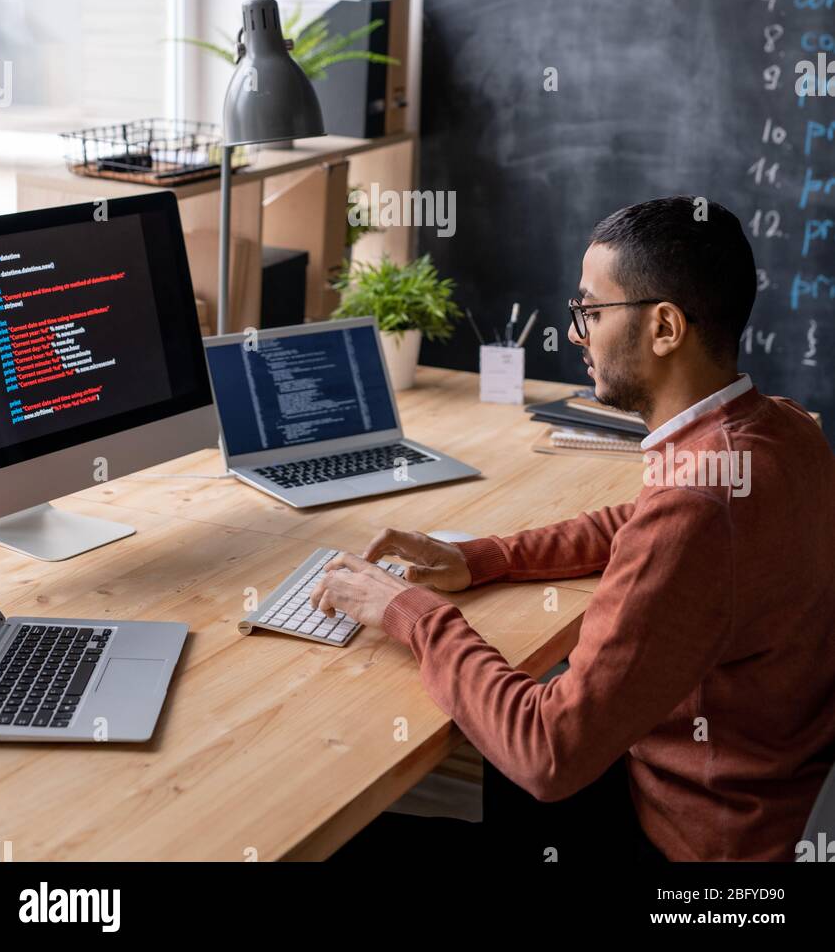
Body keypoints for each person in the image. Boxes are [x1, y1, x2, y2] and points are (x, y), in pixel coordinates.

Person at [315, 196, 835, 863]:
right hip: (770, 794)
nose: (575, 334)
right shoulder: (786, 429)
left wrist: (406, 611)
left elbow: (548, 752)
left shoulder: (699, 503)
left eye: (590, 311)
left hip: (701, 843)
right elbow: (639, 521)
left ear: (665, 327)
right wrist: (481, 557)